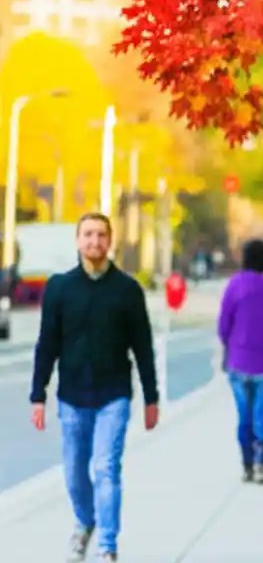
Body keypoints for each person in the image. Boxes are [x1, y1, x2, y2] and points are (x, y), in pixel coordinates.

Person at [29, 213, 159, 563]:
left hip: (113, 394)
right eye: (87, 234)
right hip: (72, 396)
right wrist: (37, 394)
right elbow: (47, 344)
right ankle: (85, 521)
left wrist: (152, 398)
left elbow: (143, 346)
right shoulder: (59, 288)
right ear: (77, 241)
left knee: (105, 467)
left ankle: (107, 545)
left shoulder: (127, 290)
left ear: (110, 240)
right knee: (74, 472)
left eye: (101, 235)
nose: (94, 241)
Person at [218, 239, 263, 484]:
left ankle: (247, 464)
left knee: (244, 415)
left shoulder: (234, 286)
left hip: (239, 360)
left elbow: (223, 326)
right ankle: (261, 463)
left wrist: (230, 346)